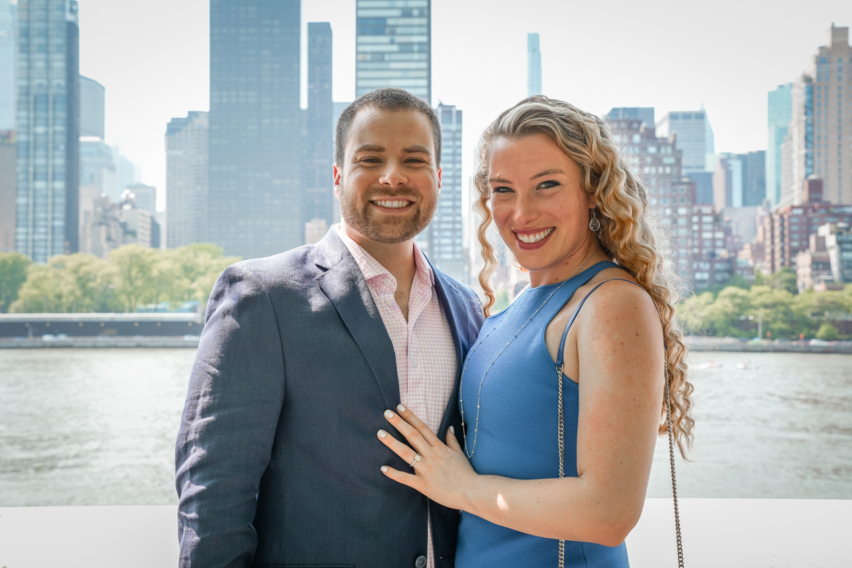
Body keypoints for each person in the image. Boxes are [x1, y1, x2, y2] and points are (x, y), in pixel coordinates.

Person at [375, 96, 695, 567]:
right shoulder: (505, 315)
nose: (522, 213)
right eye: (503, 190)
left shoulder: (610, 304)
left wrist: (464, 489)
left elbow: (609, 513)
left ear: (593, 189)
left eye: (547, 185)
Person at [175, 87, 485, 568]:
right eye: (370, 159)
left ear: (439, 178)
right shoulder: (262, 296)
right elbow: (212, 494)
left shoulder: (467, 308)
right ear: (338, 176)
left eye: (414, 160)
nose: (393, 176)